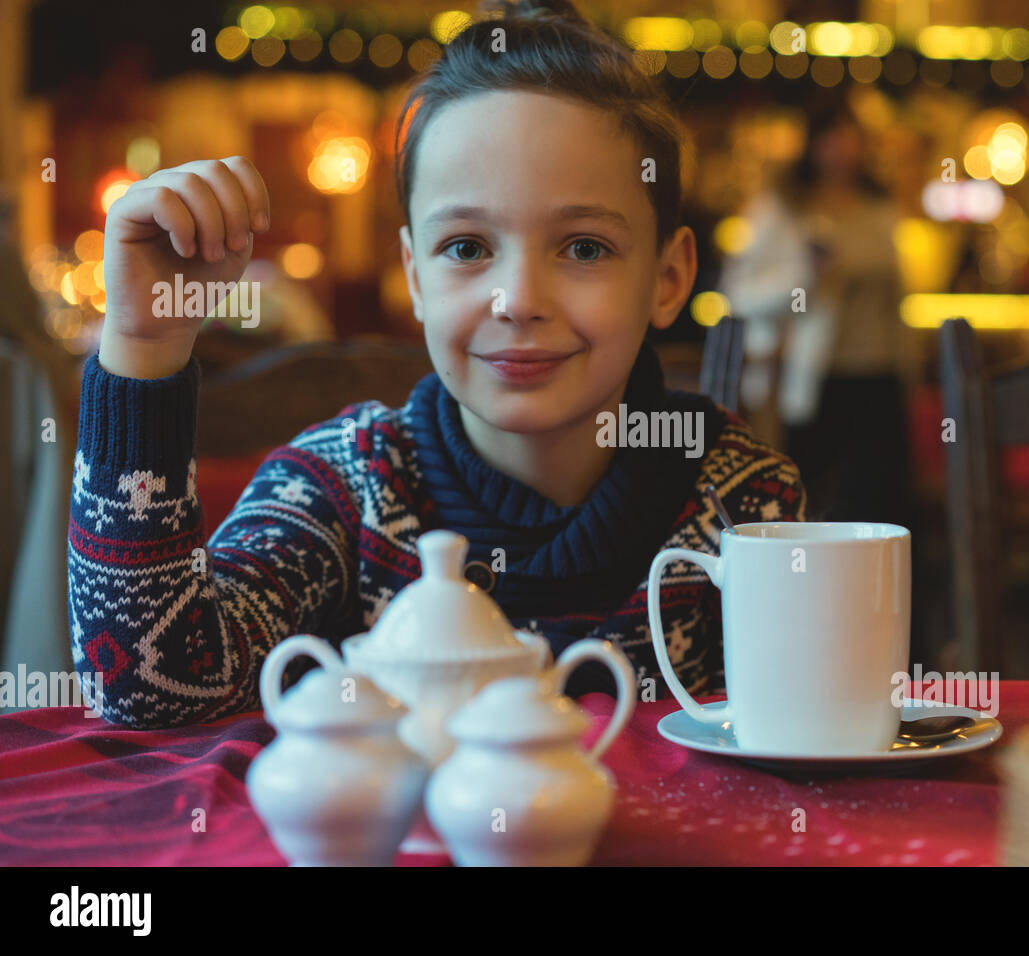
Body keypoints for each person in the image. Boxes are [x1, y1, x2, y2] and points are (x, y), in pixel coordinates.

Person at [70, 0, 805, 729]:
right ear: (415, 275)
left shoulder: (741, 501)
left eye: (584, 248)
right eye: (467, 248)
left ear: (669, 278)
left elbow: (820, 737)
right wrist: (144, 345)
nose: (517, 300)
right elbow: (147, 686)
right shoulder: (348, 487)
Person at [720, 106, 914, 526]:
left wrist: (910, 365)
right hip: (814, 376)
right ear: (812, 144)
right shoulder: (784, 207)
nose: (840, 150)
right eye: (831, 138)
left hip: (880, 373)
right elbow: (739, 293)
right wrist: (805, 276)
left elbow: (899, 295)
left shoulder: (880, 206)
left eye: (849, 138)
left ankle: (879, 589)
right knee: (805, 500)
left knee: (879, 500)